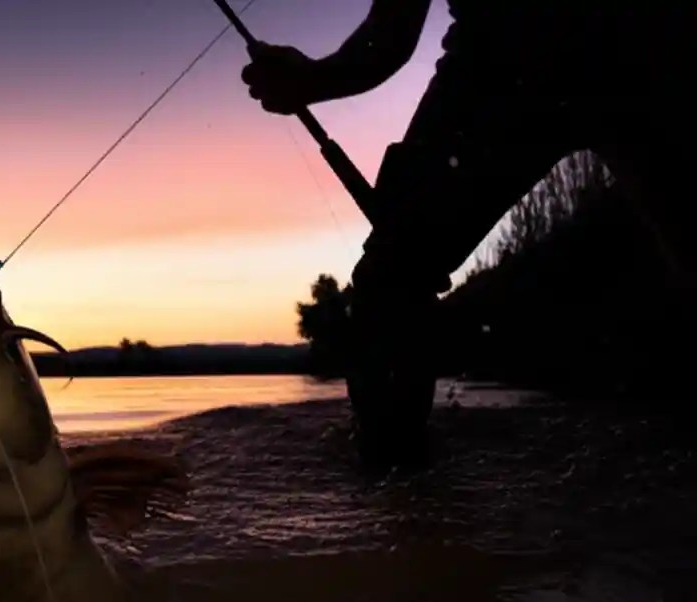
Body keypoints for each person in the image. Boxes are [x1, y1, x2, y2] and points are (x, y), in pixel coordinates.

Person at [240, 0, 695, 473]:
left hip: (596, 51)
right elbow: (389, 36)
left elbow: (389, 37)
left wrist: (313, 81)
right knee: (391, 281)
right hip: (542, 58)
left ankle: (399, 500)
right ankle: (402, 502)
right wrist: (313, 80)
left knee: (392, 280)